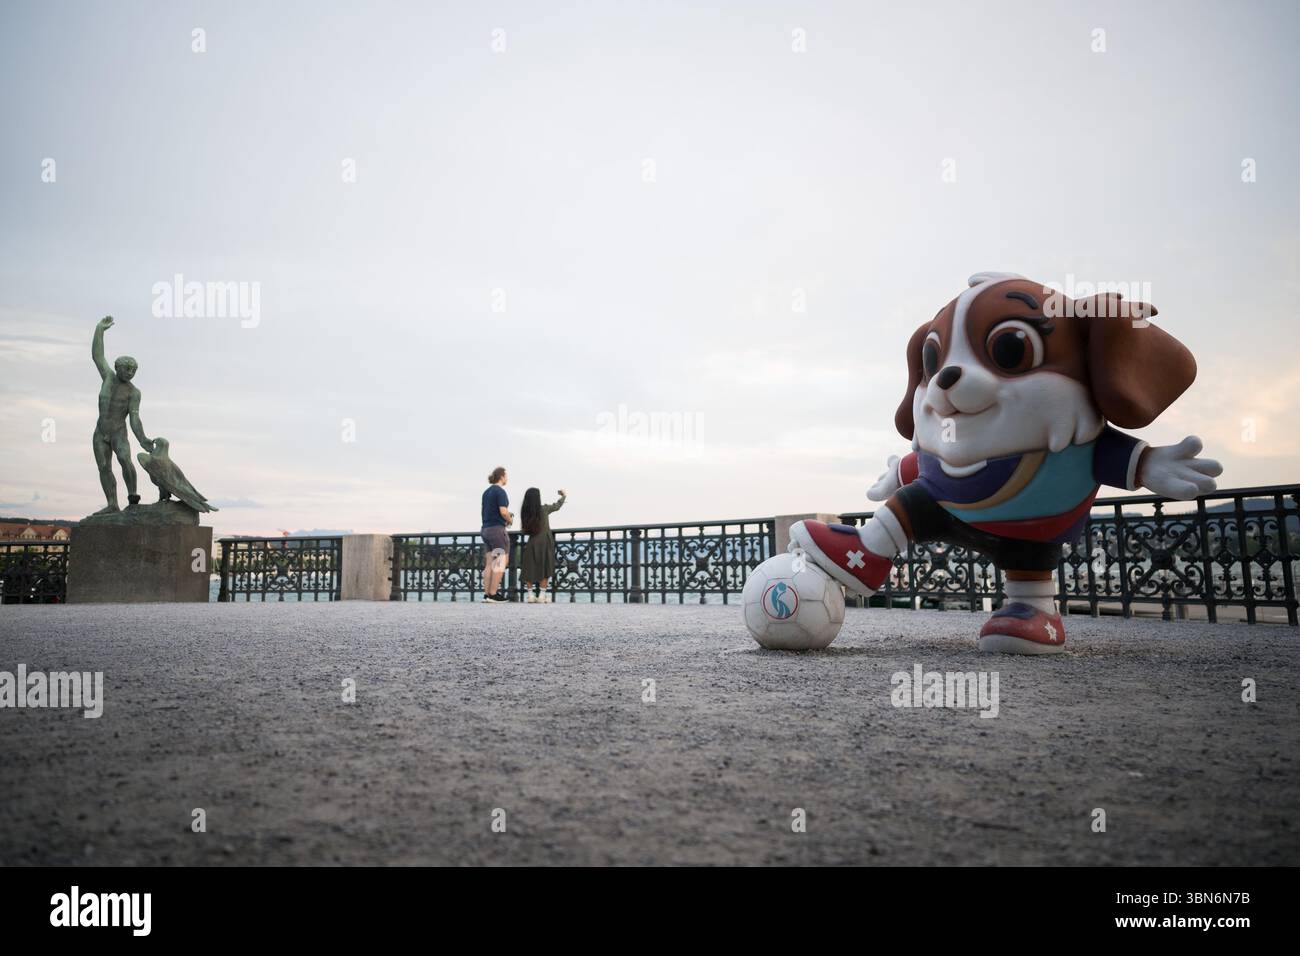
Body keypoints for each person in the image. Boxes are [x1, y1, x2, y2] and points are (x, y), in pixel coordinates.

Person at [90, 316, 156, 513]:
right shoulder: (108, 377)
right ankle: (112, 504)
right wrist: (99, 330)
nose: (131, 372)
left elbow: (135, 419)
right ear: (117, 368)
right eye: (127, 369)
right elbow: (97, 356)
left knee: (125, 460)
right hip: (100, 432)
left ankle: (133, 497)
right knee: (104, 467)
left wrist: (143, 439)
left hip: (119, 432)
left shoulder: (134, 392)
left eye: (134, 370)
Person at [520, 488, 567, 603]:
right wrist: (563, 496)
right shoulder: (544, 509)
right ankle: (542, 595)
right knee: (545, 567)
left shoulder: (525, 512)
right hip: (545, 541)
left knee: (529, 568)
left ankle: (530, 595)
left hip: (532, 542)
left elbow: (525, 530)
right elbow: (557, 506)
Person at [480, 466, 512, 602]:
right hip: (497, 530)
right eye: (506, 476)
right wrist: (510, 520)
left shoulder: (486, 492)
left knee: (489, 563)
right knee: (500, 561)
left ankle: (487, 594)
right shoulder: (500, 492)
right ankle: (493, 594)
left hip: (485, 529)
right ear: (502, 476)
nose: (507, 478)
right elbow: (503, 511)